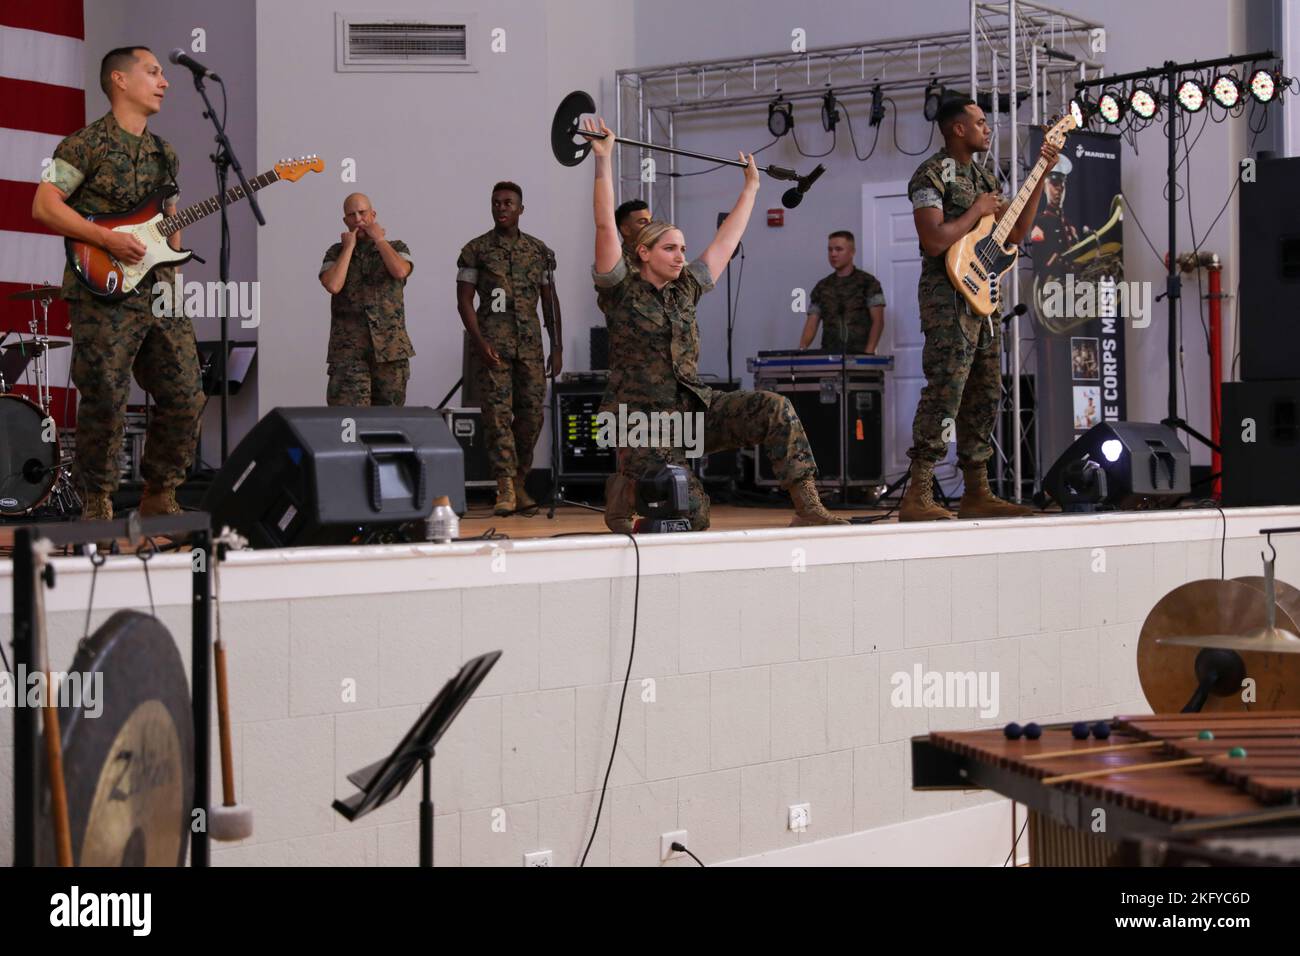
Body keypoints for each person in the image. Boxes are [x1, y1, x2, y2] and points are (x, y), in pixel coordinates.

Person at [584, 117, 845, 531]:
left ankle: (808, 505)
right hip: (640, 422)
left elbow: (726, 240)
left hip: (693, 409)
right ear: (644, 252)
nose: (680, 256)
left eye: (683, 248)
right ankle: (627, 491)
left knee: (773, 408)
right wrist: (603, 161)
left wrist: (751, 188)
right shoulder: (619, 288)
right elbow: (602, 224)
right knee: (692, 515)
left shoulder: (686, 287)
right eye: (670, 248)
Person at [31, 45, 205, 523]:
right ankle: (98, 502)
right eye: (153, 72)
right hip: (103, 290)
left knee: (188, 394)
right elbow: (44, 206)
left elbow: (170, 220)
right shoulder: (81, 144)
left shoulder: (165, 152)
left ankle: (160, 492)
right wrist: (106, 238)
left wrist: (170, 248)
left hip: (161, 290)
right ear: (119, 80)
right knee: (106, 395)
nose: (164, 82)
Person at [901, 96, 1058, 521]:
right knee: (945, 393)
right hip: (947, 301)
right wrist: (976, 209)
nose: (987, 129)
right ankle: (917, 494)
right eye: (980, 122)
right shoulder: (931, 174)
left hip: (985, 302)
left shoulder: (985, 176)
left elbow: (1016, 234)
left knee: (985, 395)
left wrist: (1041, 173)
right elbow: (934, 241)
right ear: (957, 129)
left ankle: (977, 492)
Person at [456, 182, 562, 515]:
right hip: (493, 346)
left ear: (520, 209)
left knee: (532, 416)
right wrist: (479, 341)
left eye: (508, 203)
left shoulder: (539, 251)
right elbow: (464, 302)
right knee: (497, 416)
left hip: (530, 347)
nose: (501, 208)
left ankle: (519, 480)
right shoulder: (476, 249)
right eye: (496, 203)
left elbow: (550, 302)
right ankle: (504, 487)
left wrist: (556, 344)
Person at [318, 193, 415, 405]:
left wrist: (379, 239)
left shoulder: (397, 247)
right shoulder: (335, 252)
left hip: (390, 353)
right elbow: (333, 285)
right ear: (345, 221)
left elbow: (400, 271)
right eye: (351, 215)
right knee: (349, 422)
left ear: (373, 214)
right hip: (348, 354)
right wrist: (349, 248)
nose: (358, 219)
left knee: (388, 425)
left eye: (362, 213)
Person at [798, 230, 886, 354]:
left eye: (839, 249)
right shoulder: (822, 287)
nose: (833, 254)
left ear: (852, 252)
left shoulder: (869, 283)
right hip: (829, 358)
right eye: (830, 250)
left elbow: (878, 321)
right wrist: (802, 349)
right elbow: (812, 323)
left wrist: (869, 353)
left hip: (860, 357)